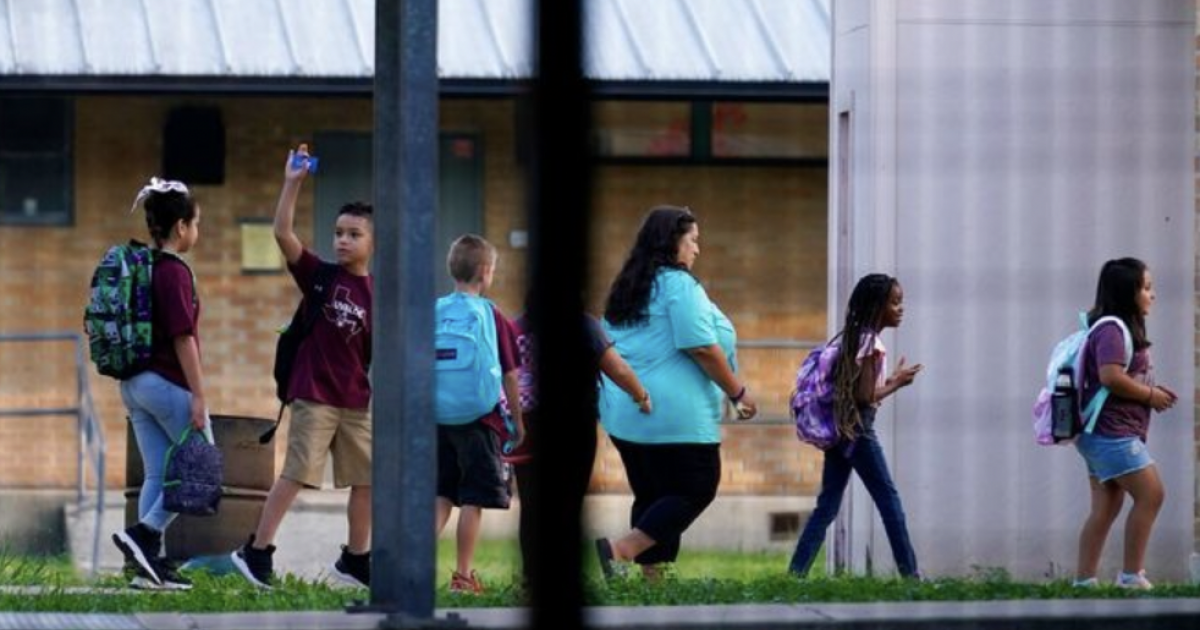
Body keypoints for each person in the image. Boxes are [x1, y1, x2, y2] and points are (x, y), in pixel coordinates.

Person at [231, 145, 375, 589]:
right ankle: (256, 551)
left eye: (354, 234)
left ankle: (355, 559)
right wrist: (292, 183)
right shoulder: (320, 275)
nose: (343, 240)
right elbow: (282, 233)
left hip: (356, 400)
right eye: (338, 232)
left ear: (373, 242)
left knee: (368, 479)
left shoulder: (378, 294)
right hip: (314, 394)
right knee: (297, 474)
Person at [593, 205, 756, 581]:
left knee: (654, 495)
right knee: (696, 487)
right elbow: (700, 346)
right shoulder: (679, 285)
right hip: (674, 416)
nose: (697, 249)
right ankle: (619, 550)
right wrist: (737, 392)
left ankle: (654, 585)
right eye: (693, 240)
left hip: (626, 414)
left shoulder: (630, 287)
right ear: (672, 242)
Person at [506, 298, 652, 586]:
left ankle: (531, 577)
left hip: (527, 424)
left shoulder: (515, 328)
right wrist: (641, 395)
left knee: (532, 505)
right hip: (573, 427)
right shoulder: (584, 325)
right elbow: (618, 369)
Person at [787, 273, 922, 579]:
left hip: (840, 431)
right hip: (859, 432)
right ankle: (911, 575)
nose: (901, 308)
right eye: (895, 302)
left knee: (826, 507)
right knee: (889, 502)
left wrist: (888, 380)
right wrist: (897, 384)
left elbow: (858, 391)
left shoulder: (852, 337)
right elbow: (863, 397)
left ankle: (795, 574)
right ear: (877, 307)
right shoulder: (871, 343)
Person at [112, 177, 211, 591]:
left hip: (134, 384)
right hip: (166, 381)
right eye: (196, 223)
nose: (197, 231)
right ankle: (145, 534)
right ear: (181, 227)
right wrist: (199, 395)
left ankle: (146, 567)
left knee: (157, 473)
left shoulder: (143, 266)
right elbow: (183, 337)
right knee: (202, 468)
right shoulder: (174, 272)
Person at [1072, 257, 1176, 590]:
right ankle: (1131, 576)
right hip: (1111, 433)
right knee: (1152, 494)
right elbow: (1111, 377)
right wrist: (1150, 395)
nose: (1152, 295)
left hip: (1100, 433)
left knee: (1106, 506)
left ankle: (1084, 581)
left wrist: (1153, 392)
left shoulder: (1116, 329)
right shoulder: (1112, 330)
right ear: (1126, 292)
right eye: (1146, 288)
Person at [434, 234, 526, 594]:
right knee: (472, 498)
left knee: (441, 494)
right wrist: (517, 421)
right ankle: (463, 576)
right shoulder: (491, 315)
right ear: (486, 272)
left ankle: (411, 571)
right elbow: (511, 375)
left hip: (439, 417)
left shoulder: (435, 310)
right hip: (479, 420)